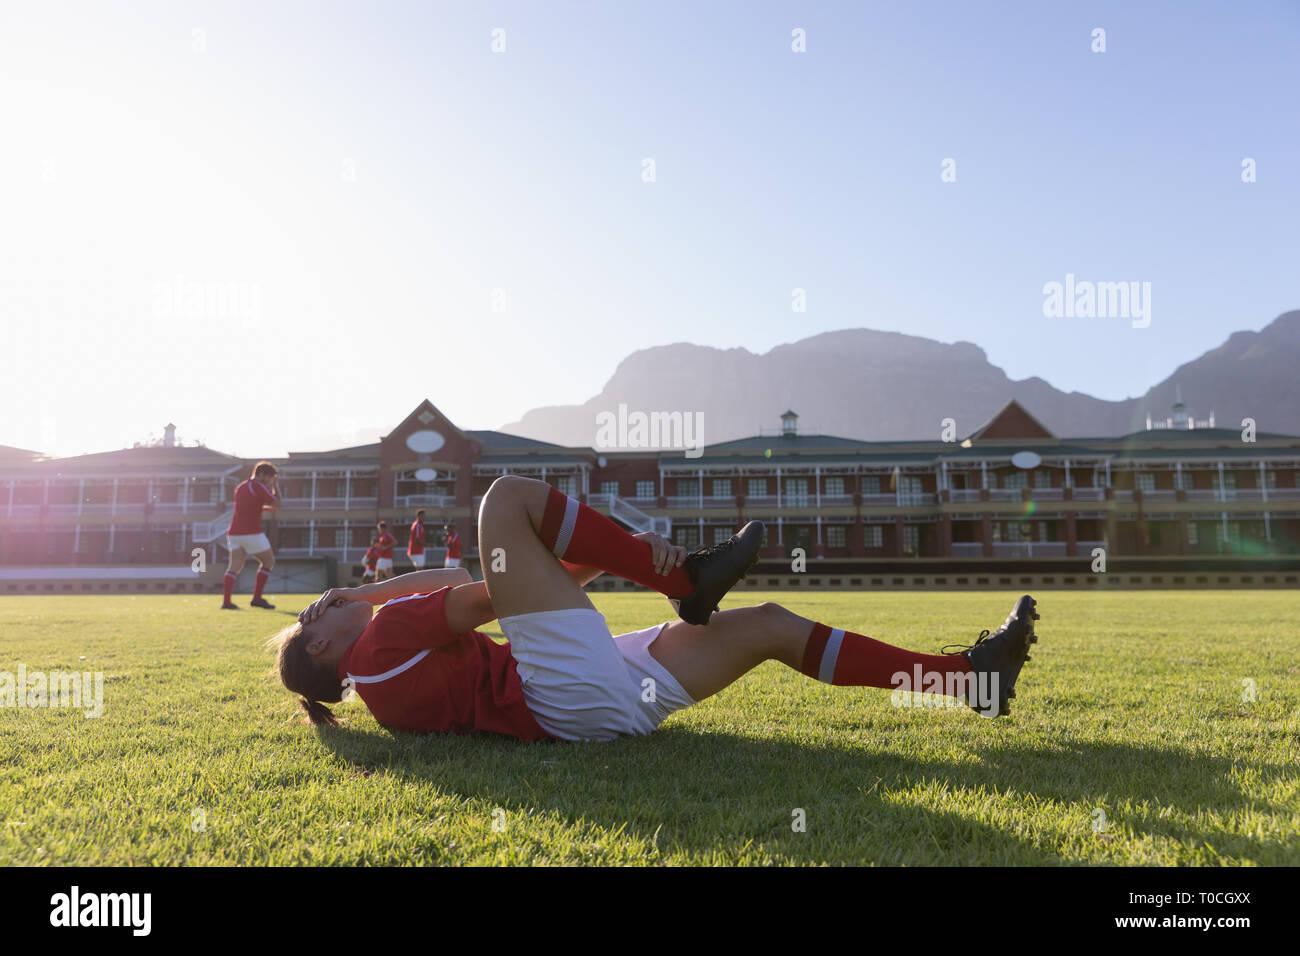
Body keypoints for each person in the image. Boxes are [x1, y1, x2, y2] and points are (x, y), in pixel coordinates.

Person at [274, 476, 1039, 740]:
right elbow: (481, 589)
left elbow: (477, 580)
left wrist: (620, 552)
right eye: (313, 617)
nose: (322, 605)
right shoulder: (377, 648)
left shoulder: (378, 678)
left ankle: (966, 681)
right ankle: (684, 581)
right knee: (506, 499)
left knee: (770, 624)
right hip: (558, 694)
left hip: (588, 695)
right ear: (321, 654)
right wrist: (367, 595)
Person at [222, 461, 280, 610]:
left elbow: (248, 507)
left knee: (234, 567)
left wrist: (263, 509)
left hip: (234, 533)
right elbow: (277, 503)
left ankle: (226, 602)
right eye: (269, 477)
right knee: (268, 562)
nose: (269, 481)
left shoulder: (241, 487)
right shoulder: (258, 486)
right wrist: (275, 485)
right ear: (261, 474)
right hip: (251, 533)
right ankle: (256, 598)